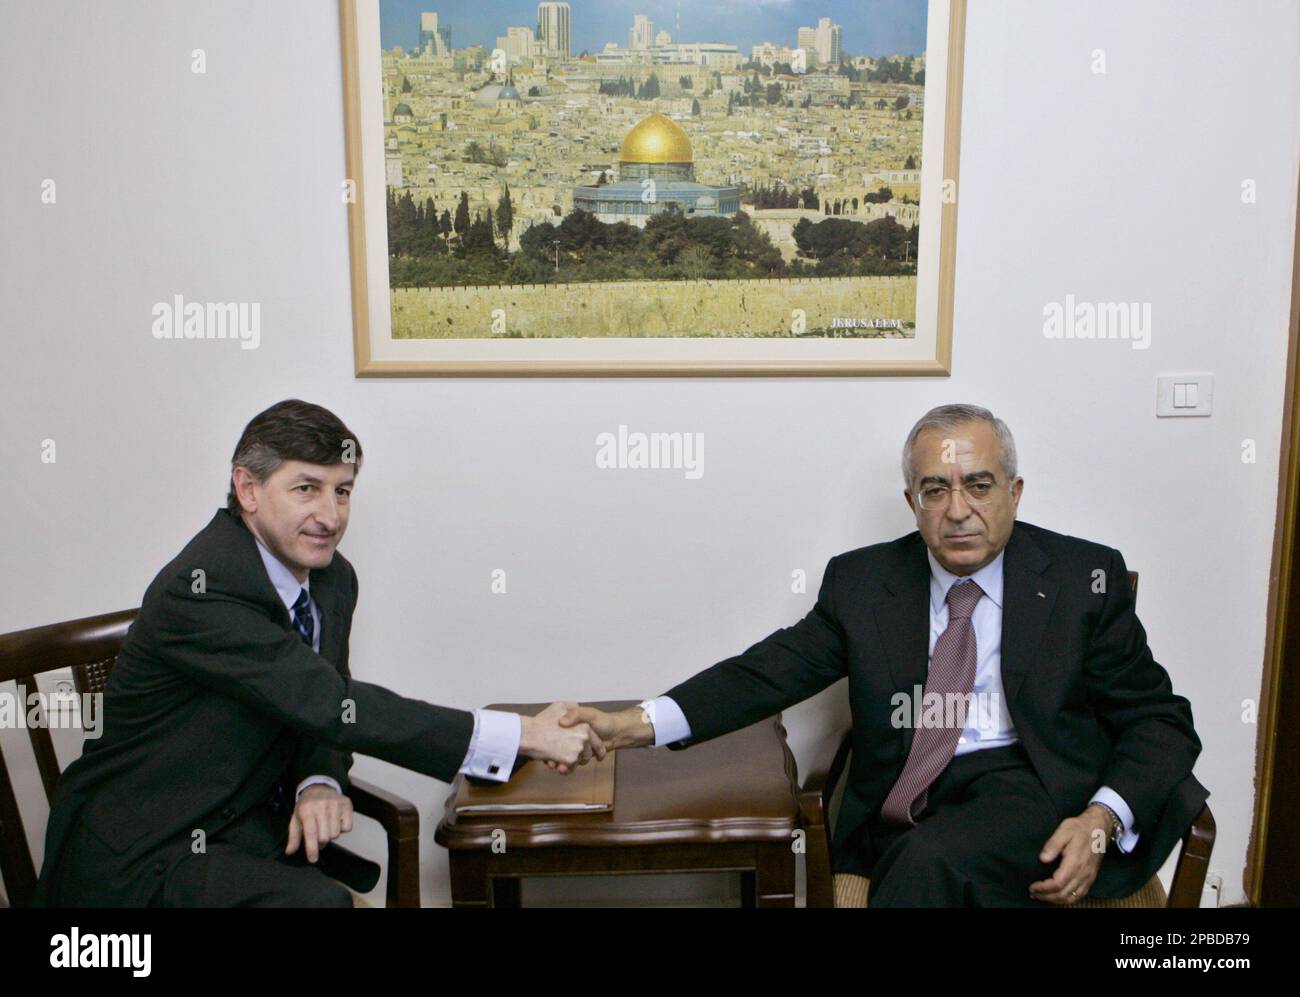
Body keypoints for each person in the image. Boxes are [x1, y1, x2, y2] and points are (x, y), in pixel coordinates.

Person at [559, 403, 1209, 906]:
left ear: (1014, 491)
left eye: (978, 486)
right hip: (911, 796)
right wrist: (633, 723)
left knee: (927, 866)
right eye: (935, 490)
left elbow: (1161, 720)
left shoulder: (1082, 577)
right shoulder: (863, 583)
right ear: (912, 503)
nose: (958, 511)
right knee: (924, 855)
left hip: (1038, 785)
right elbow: (766, 672)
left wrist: (1102, 816)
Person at [34, 399, 603, 907]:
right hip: (139, 853)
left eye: (343, 490)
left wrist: (318, 781)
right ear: (248, 489)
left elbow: (316, 705)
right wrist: (522, 736)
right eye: (306, 488)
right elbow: (328, 700)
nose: (330, 517)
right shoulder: (200, 587)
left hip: (243, 831)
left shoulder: (331, 579)